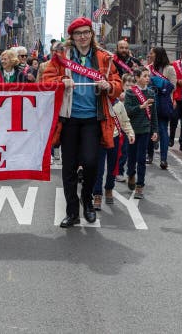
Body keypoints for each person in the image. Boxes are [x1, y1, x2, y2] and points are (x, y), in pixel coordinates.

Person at [40, 17, 122, 228]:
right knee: (68, 168)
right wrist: (61, 81)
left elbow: (118, 84)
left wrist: (109, 86)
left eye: (86, 32)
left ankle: (87, 201)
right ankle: (72, 211)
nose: (82, 37)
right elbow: (46, 81)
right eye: (78, 33)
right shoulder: (61, 57)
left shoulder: (104, 57)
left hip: (93, 119)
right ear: (72, 37)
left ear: (91, 35)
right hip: (68, 119)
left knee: (91, 162)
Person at [93, 73, 135, 210]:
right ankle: (97, 194)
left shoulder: (119, 104)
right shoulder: (96, 103)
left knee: (112, 166)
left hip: (115, 138)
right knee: (99, 168)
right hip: (100, 139)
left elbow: (125, 121)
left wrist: (130, 133)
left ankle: (109, 188)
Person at [124, 67, 158, 199]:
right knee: (131, 157)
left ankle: (140, 186)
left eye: (148, 76)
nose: (147, 78)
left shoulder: (151, 93)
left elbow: (154, 113)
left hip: (145, 129)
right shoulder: (130, 92)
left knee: (141, 158)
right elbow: (127, 110)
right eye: (144, 76)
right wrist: (141, 107)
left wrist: (155, 130)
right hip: (132, 130)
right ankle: (131, 174)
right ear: (137, 78)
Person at [146, 46, 176, 168]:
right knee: (150, 129)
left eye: (152, 53)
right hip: (150, 101)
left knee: (163, 130)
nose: (150, 55)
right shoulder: (148, 68)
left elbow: (173, 86)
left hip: (164, 103)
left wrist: (158, 82)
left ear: (158, 54)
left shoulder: (170, 69)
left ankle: (164, 159)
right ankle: (149, 155)